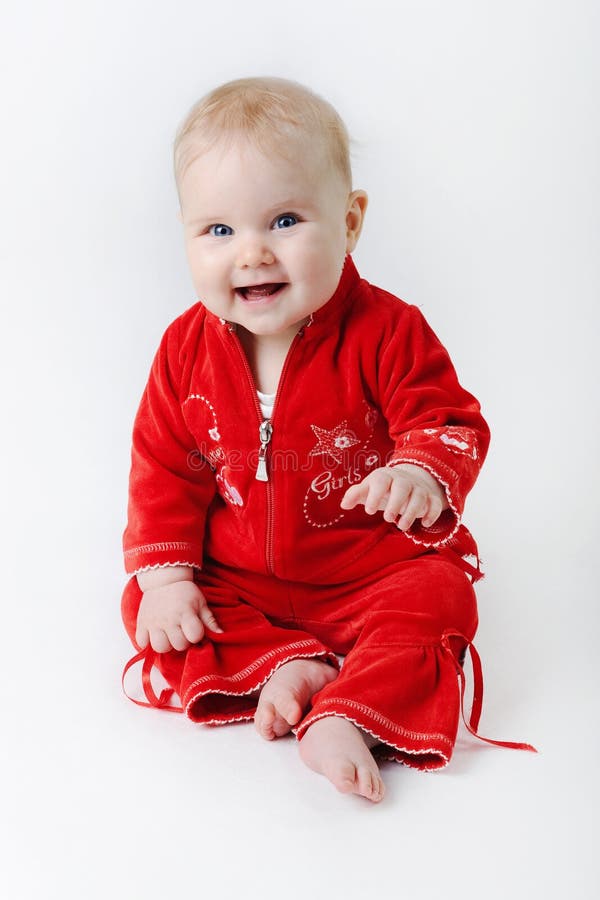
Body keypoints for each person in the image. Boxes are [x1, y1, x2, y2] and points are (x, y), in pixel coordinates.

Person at [121, 76, 534, 804]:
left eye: (283, 220)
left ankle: (346, 714)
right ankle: (287, 666)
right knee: (152, 605)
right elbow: (164, 469)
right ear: (185, 234)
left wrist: (421, 472)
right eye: (219, 231)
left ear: (349, 221)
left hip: (369, 571)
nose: (251, 254)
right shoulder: (185, 349)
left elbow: (447, 419)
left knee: (441, 598)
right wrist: (167, 580)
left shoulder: (387, 330)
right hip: (242, 576)